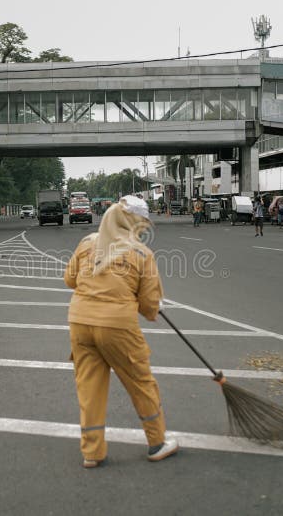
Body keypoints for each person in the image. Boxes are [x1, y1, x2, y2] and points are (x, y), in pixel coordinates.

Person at [64, 195, 178, 469]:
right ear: (135, 222)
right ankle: (157, 442)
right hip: (117, 327)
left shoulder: (87, 242)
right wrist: (154, 304)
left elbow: (70, 279)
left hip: (80, 322)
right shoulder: (141, 253)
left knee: (89, 388)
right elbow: (150, 308)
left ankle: (92, 452)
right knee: (140, 382)